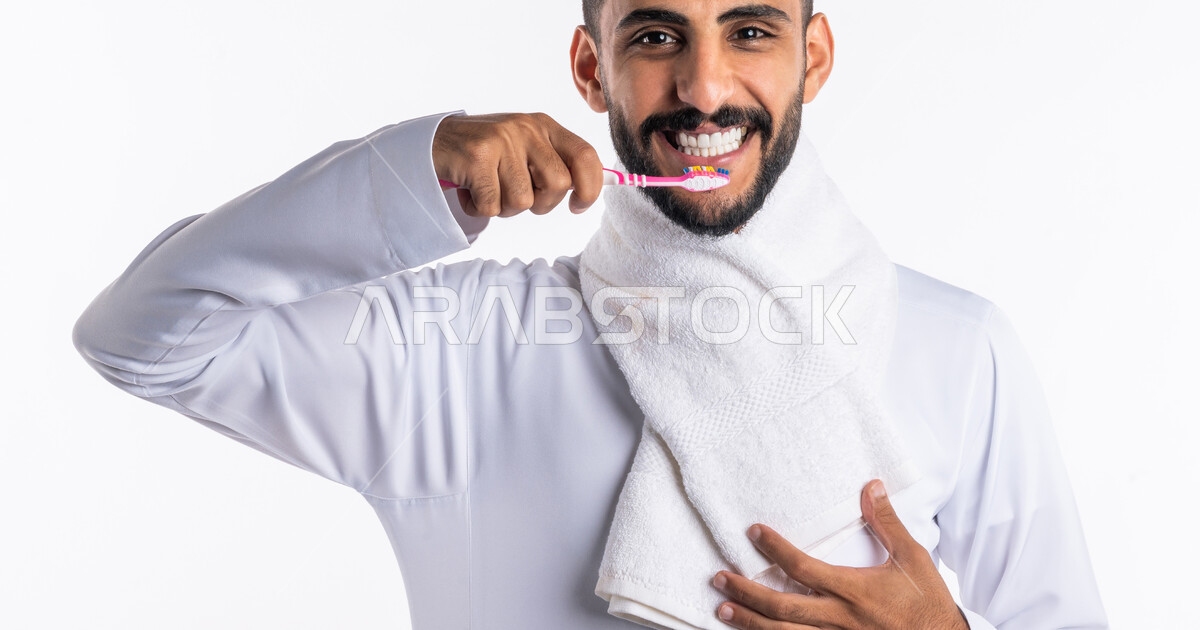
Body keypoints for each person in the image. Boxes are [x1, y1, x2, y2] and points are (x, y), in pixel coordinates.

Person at [72, 1, 1107, 628]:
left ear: (814, 58)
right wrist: (410, 173)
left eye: (750, 31)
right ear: (589, 66)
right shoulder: (457, 354)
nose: (705, 86)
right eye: (658, 35)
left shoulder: (960, 350)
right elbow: (140, 336)